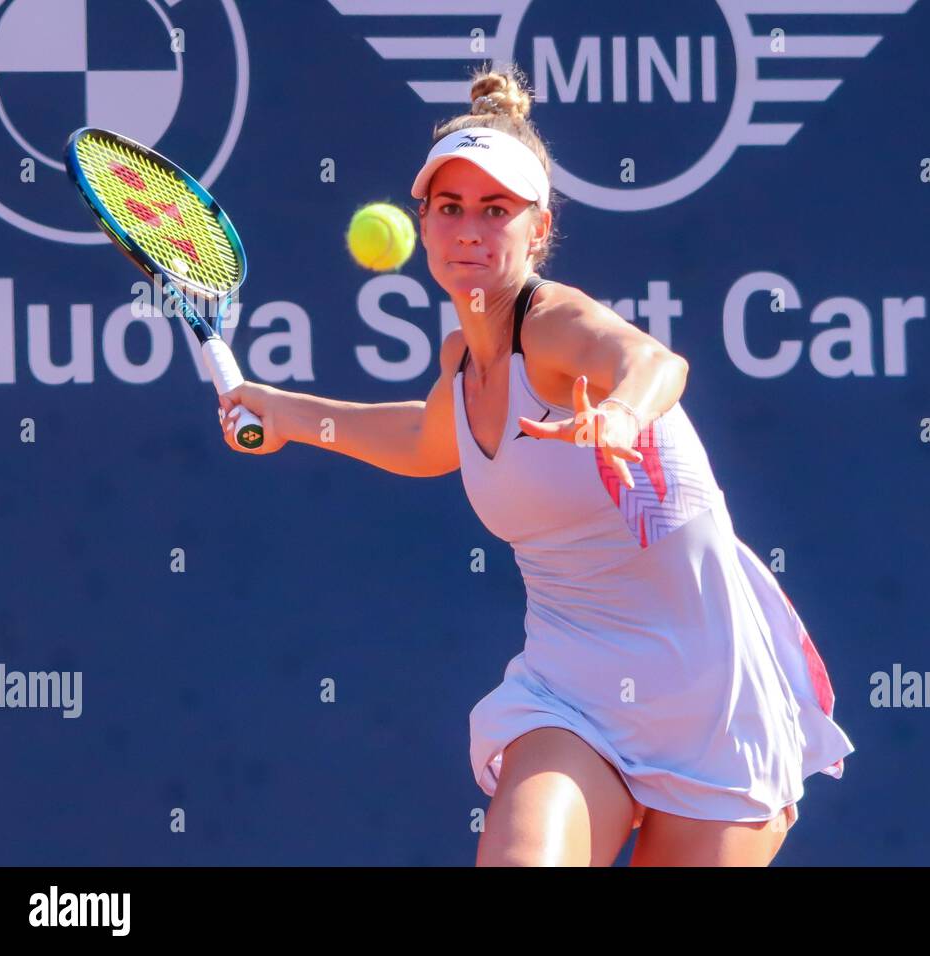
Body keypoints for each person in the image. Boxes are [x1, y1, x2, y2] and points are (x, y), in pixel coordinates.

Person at [216, 64, 855, 866]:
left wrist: (621, 412)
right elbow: (425, 441)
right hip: (573, 692)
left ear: (540, 228)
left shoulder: (556, 325)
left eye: (497, 210)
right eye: (449, 209)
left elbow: (654, 362)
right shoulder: (462, 360)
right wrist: (288, 415)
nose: (471, 230)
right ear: (422, 223)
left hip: (714, 701)